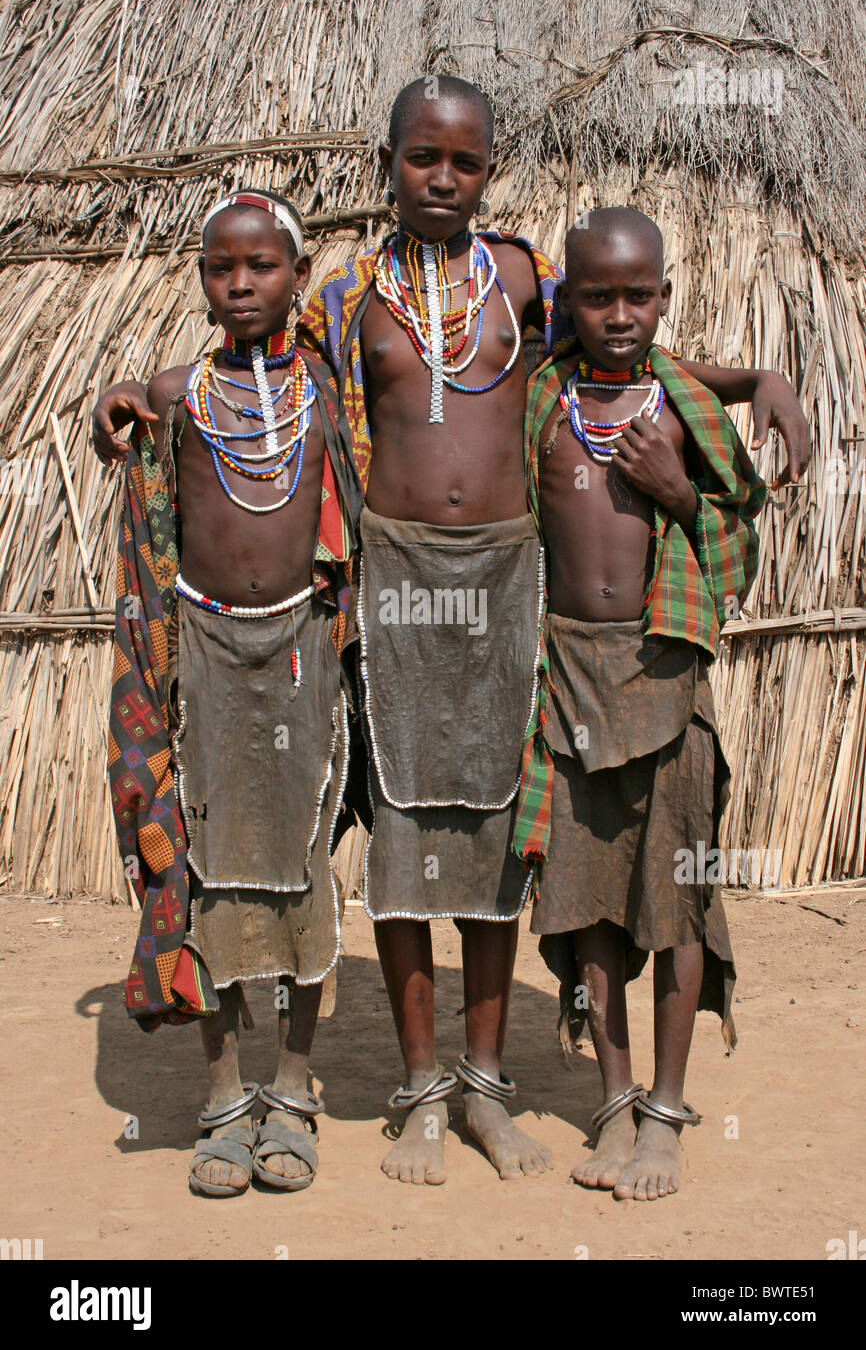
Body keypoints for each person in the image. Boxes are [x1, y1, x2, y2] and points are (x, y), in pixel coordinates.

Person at [93, 78, 810, 1188]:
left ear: (488, 171)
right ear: (385, 164)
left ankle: (482, 1090)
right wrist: (136, 388)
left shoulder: (525, 279)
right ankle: (419, 1091)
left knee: (486, 837)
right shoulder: (345, 300)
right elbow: (247, 359)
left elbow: (625, 345)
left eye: (463, 162)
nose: (442, 178)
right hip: (393, 581)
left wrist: (752, 375)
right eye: (420, 158)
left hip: (506, 583)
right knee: (402, 839)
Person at [109, 189, 360, 1198]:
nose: (241, 281)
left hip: (305, 644)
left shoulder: (331, 393)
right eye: (222, 266)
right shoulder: (178, 396)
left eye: (261, 265)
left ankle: (292, 1086)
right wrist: (118, 394)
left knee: (301, 861)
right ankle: (221, 1094)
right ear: (202, 277)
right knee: (202, 863)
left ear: (296, 279)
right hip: (202, 650)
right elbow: (123, 439)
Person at [514, 206, 765, 1201]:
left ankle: (665, 1111)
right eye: (595, 295)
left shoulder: (687, 411)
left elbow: (741, 545)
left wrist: (675, 493)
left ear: (662, 297)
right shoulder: (544, 402)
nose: (617, 313)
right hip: (565, 678)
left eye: (635, 294)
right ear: (566, 302)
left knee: (675, 906)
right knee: (585, 912)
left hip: (665, 679)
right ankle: (612, 1097)